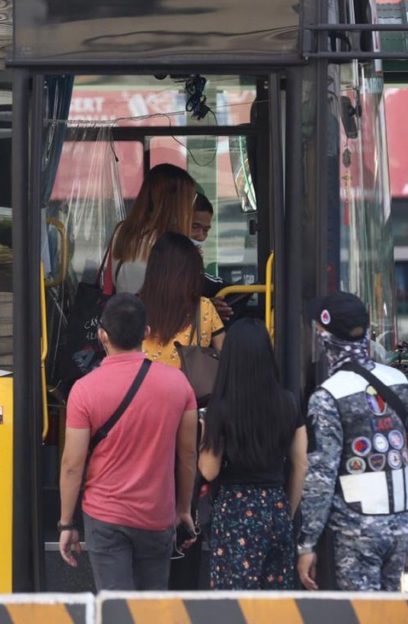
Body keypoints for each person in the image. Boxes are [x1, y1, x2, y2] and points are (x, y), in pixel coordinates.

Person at [57, 293, 198, 591]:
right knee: (150, 609)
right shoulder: (178, 384)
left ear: (102, 335)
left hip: (105, 516)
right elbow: (187, 455)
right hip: (157, 515)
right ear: (146, 333)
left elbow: (72, 464)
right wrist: (183, 508)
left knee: (115, 609)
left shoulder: (84, 391)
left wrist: (67, 523)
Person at [296, 292, 408, 591]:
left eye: (318, 331)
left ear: (327, 338)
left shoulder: (327, 396)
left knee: (361, 613)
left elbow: (321, 477)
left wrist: (307, 543)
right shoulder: (397, 381)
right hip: (402, 521)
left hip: (356, 529)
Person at [198, 319, 307, 589]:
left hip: (234, 511)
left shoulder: (220, 408)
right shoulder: (289, 402)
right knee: (275, 605)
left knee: (235, 605)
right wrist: (286, 511)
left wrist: (203, 432)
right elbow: (301, 464)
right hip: (276, 506)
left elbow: (209, 470)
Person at [139, 232, 224, 370]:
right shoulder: (203, 307)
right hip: (189, 389)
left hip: (143, 387)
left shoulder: (135, 308)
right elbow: (224, 355)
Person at [110, 163, 197, 294]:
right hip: (155, 313)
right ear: (178, 202)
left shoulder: (122, 230)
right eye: (190, 199)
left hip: (124, 310)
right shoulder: (172, 242)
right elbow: (178, 295)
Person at [191, 193, 232, 323]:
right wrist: (206, 306)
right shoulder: (169, 255)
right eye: (195, 227)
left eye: (206, 230)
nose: (201, 236)